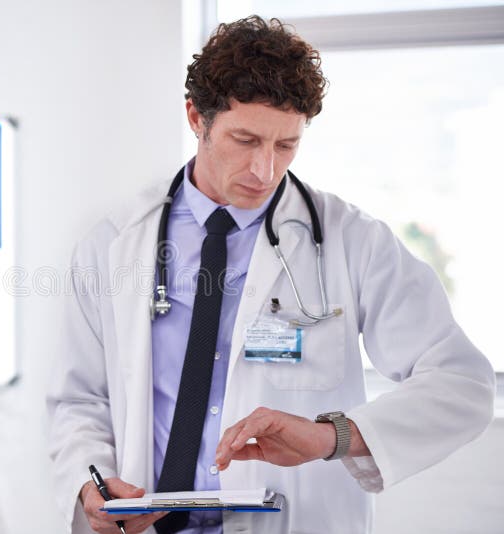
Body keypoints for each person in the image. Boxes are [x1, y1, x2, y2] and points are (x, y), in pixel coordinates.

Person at [46, 15, 495, 534]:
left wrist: (335, 436)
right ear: (196, 117)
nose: (265, 169)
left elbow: (464, 384)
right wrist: (91, 485)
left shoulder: (354, 240)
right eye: (245, 139)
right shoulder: (113, 242)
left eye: (286, 146)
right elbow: (79, 399)